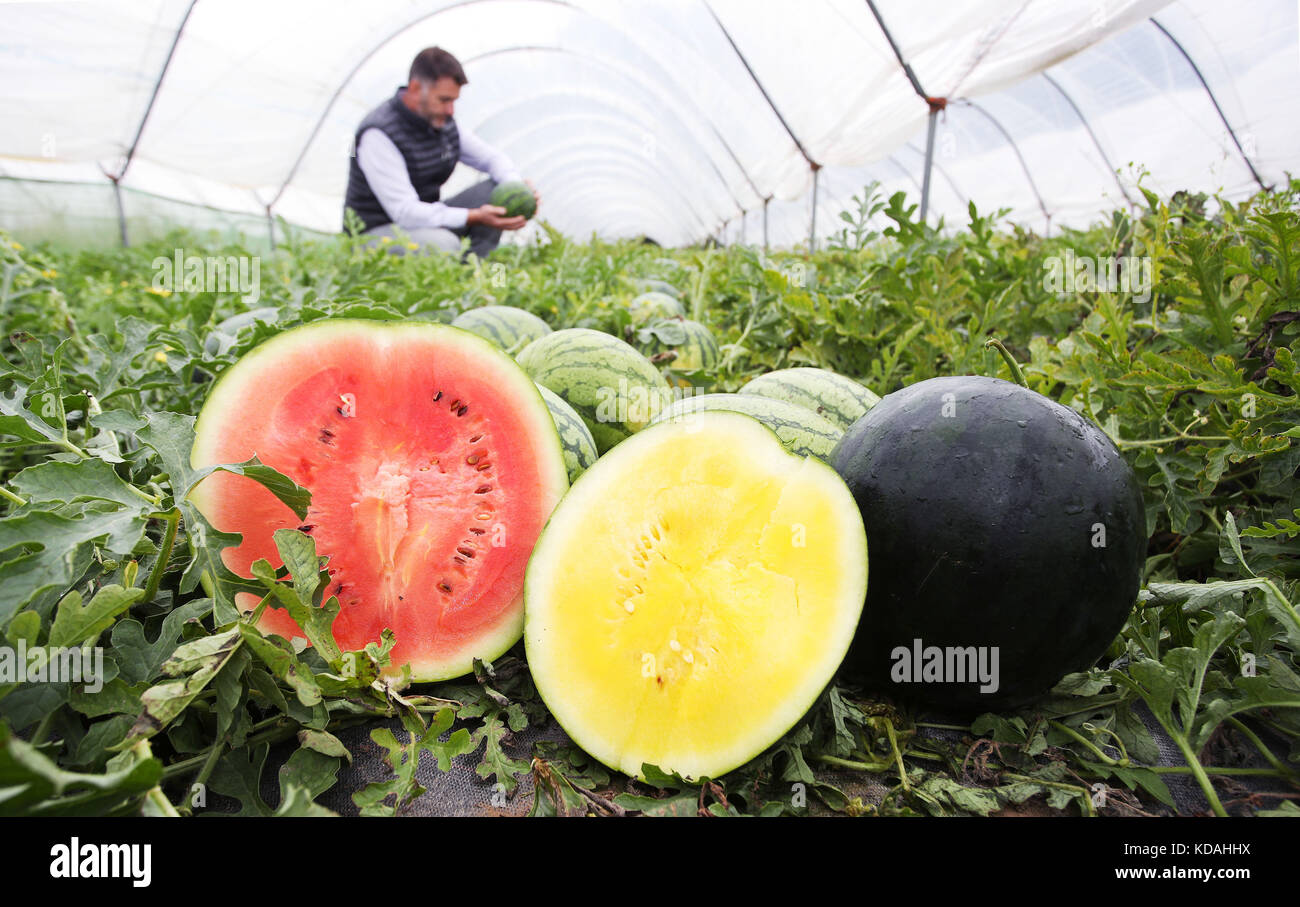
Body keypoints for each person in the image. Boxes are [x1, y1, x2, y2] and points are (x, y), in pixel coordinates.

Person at [343, 46, 538, 258]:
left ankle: (477, 278)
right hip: (375, 234)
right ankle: (456, 274)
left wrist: (516, 188)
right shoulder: (379, 134)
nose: (450, 110)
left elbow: (493, 159)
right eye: (444, 100)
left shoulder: (441, 123)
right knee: (445, 245)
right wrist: (473, 216)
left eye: (453, 101)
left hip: (422, 223)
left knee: (496, 191)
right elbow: (404, 213)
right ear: (416, 89)